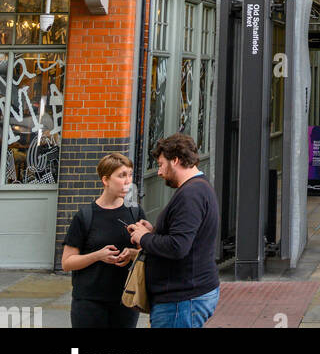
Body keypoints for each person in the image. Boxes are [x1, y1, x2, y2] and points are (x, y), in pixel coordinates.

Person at [127, 133, 220, 329]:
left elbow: (178, 247)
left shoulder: (190, 195)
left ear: (175, 160)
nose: (159, 172)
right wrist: (154, 232)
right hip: (185, 296)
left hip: (182, 300)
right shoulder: (196, 188)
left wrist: (144, 238)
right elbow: (187, 236)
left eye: (161, 164)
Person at [61, 152, 143, 329]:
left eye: (130, 175)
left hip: (126, 300)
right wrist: (97, 256)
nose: (128, 181)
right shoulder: (85, 216)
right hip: (89, 302)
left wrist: (132, 254)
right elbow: (67, 263)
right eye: (122, 175)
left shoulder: (135, 213)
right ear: (105, 180)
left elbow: (145, 255)